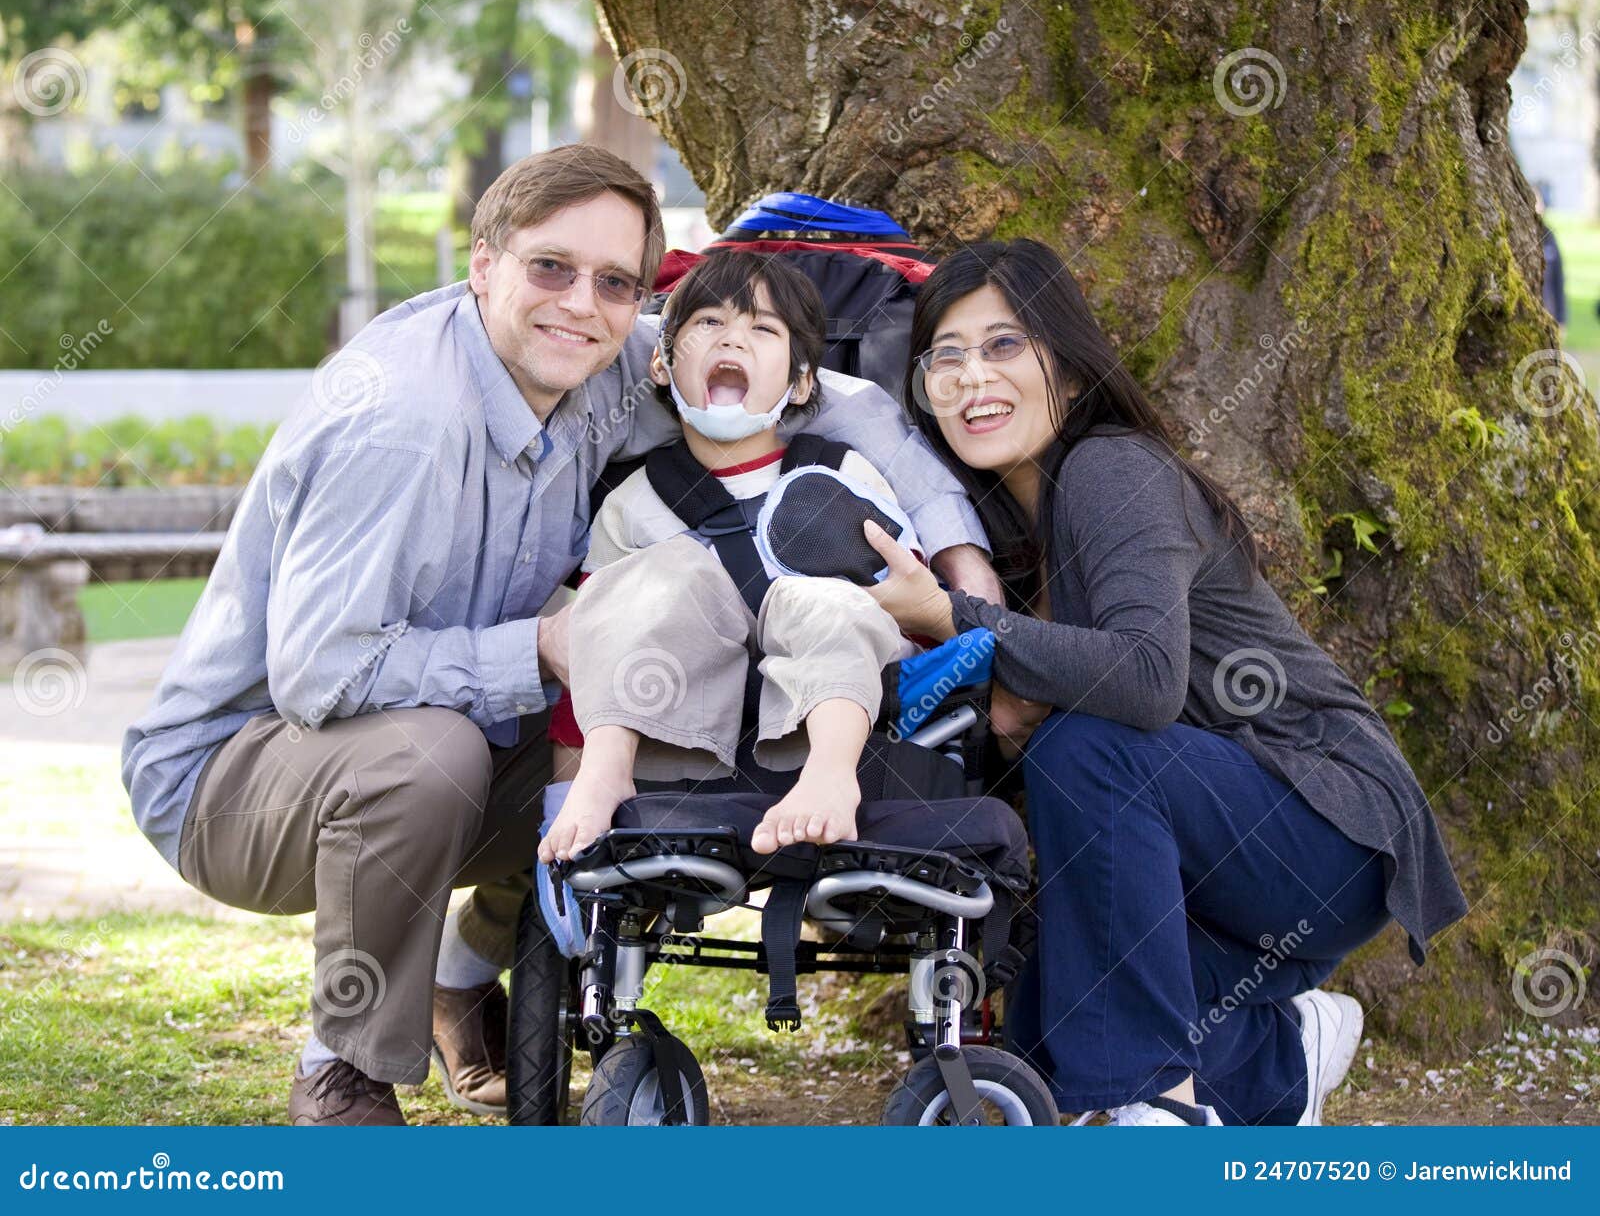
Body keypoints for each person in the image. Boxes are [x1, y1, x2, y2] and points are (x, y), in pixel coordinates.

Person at [120, 144, 1000, 1125]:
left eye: (615, 282)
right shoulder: (405, 422)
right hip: (236, 778)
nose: (581, 303)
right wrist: (539, 650)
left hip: (445, 729)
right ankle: (343, 1070)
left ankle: (459, 979)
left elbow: (841, 401)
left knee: (647, 745)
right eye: (550, 267)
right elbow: (319, 673)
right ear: (482, 262)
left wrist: (960, 569)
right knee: (437, 752)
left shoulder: (610, 360)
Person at [862, 238, 1468, 1127]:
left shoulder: (1112, 467)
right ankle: (1280, 1056)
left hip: (1327, 825)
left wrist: (958, 618)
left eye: (1003, 345)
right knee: (1054, 1017)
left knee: (1086, 748)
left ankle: (1160, 1112)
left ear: (1070, 369)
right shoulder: (1016, 532)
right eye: (944, 358)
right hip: (1218, 860)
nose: (971, 377)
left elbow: (1145, 681)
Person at [537, 251, 921, 864]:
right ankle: (606, 771)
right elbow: (598, 643)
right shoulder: (634, 502)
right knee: (645, 583)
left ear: (800, 383)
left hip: (825, 706)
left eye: (763, 329)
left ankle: (830, 774)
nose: (733, 339)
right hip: (673, 715)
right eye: (709, 323)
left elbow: (905, 599)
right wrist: (565, 782)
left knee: (824, 597)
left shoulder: (839, 473)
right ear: (662, 363)